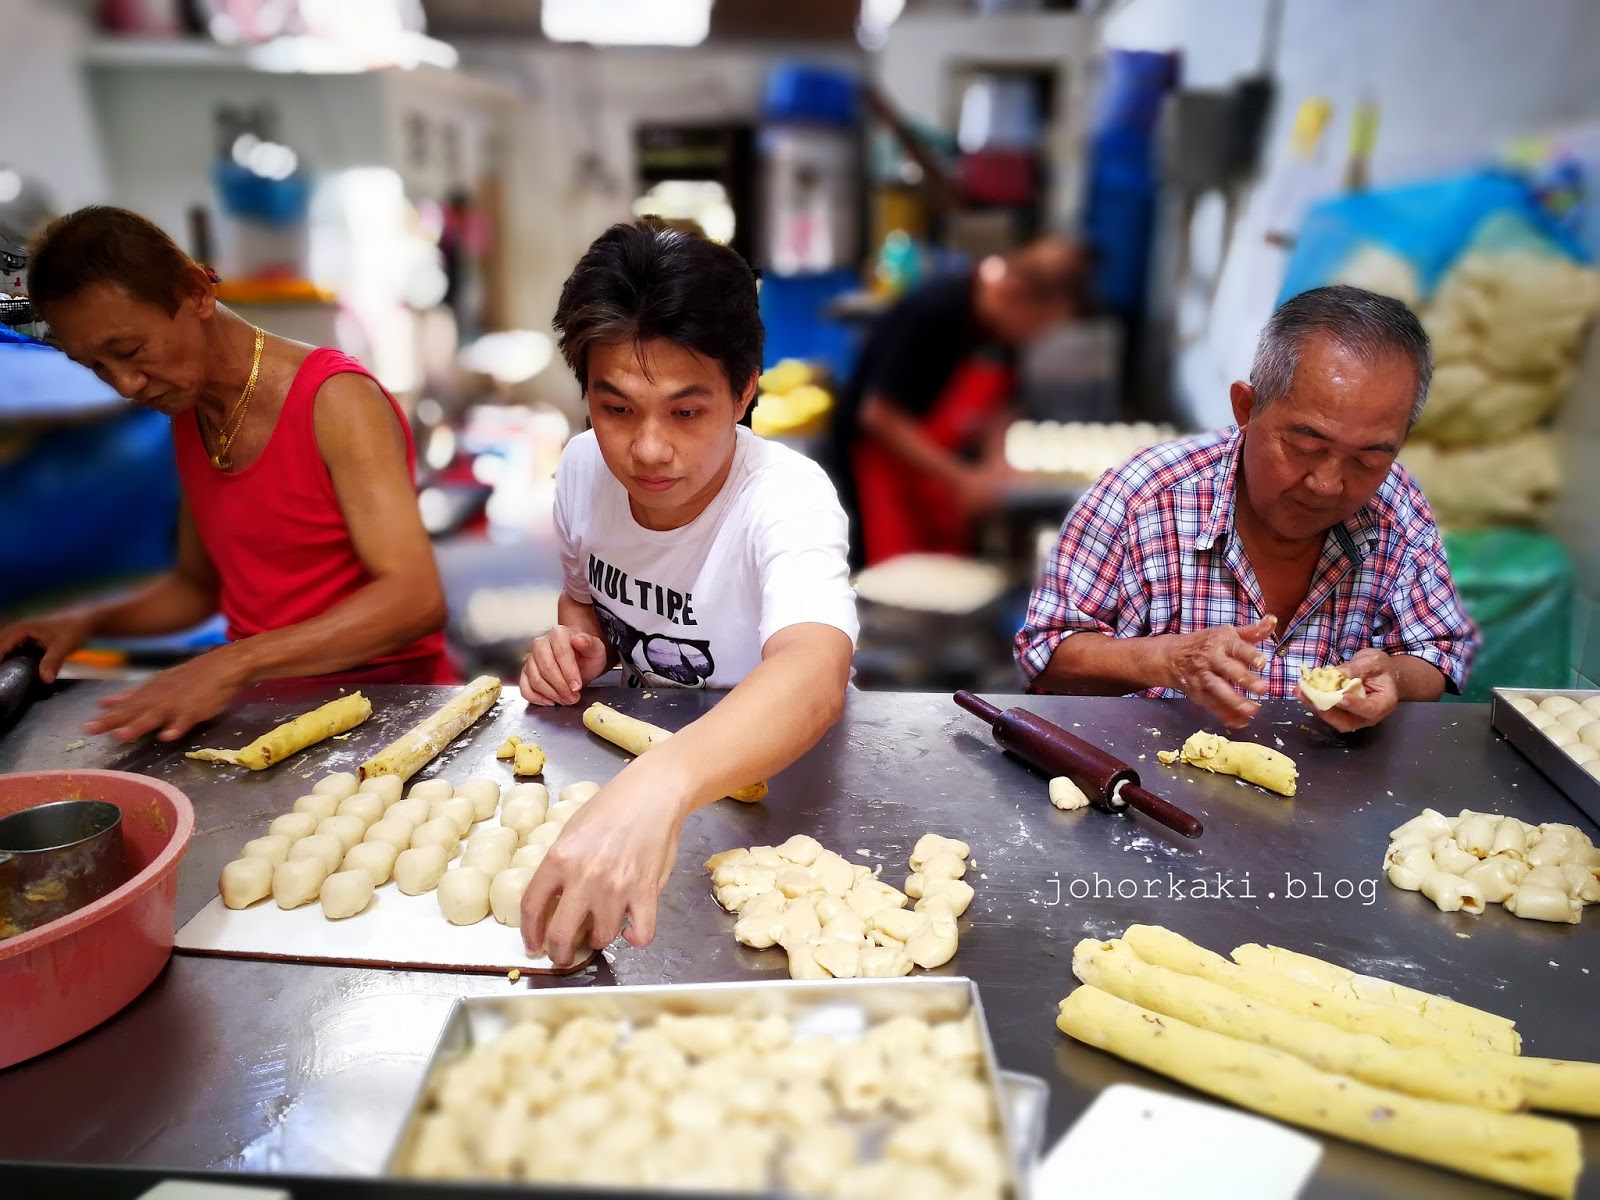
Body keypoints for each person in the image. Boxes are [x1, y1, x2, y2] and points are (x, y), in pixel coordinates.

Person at [516, 219, 858, 966]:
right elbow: (587, 602)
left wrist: (660, 785)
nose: (646, 449)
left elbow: (814, 670)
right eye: (615, 409)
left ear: (743, 392)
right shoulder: (580, 471)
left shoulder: (786, 497)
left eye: (685, 411)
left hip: (776, 781)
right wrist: (580, 643)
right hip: (643, 763)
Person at [0, 206, 450, 742]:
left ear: (196, 292)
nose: (124, 384)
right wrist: (82, 622)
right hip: (268, 710)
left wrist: (232, 664)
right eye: (96, 366)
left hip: (387, 710)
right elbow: (196, 586)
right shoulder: (191, 412)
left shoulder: (334, 401)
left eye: (128, 350)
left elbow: (413, 599)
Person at [1016, 285, 1479, 732]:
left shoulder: (1395, 507)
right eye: (1304, 445)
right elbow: (1045, 654)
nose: (1327, 484)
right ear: (1246, 407)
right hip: (1148, 784)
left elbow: (1436, 652)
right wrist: (1168, 660)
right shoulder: (1145, 495)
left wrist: (1392, 676)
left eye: (1369, 458)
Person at [828, 235, 1092, 570]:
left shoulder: (1003, 332)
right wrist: (963, 480)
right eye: (1038, 324)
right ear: (1013, 293)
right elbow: (878, 416)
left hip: (936, 473)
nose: (1036, 336)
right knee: (893, 582)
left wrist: (997, 461)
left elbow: (1005, 406)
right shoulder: (935, 311)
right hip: (881, 470)